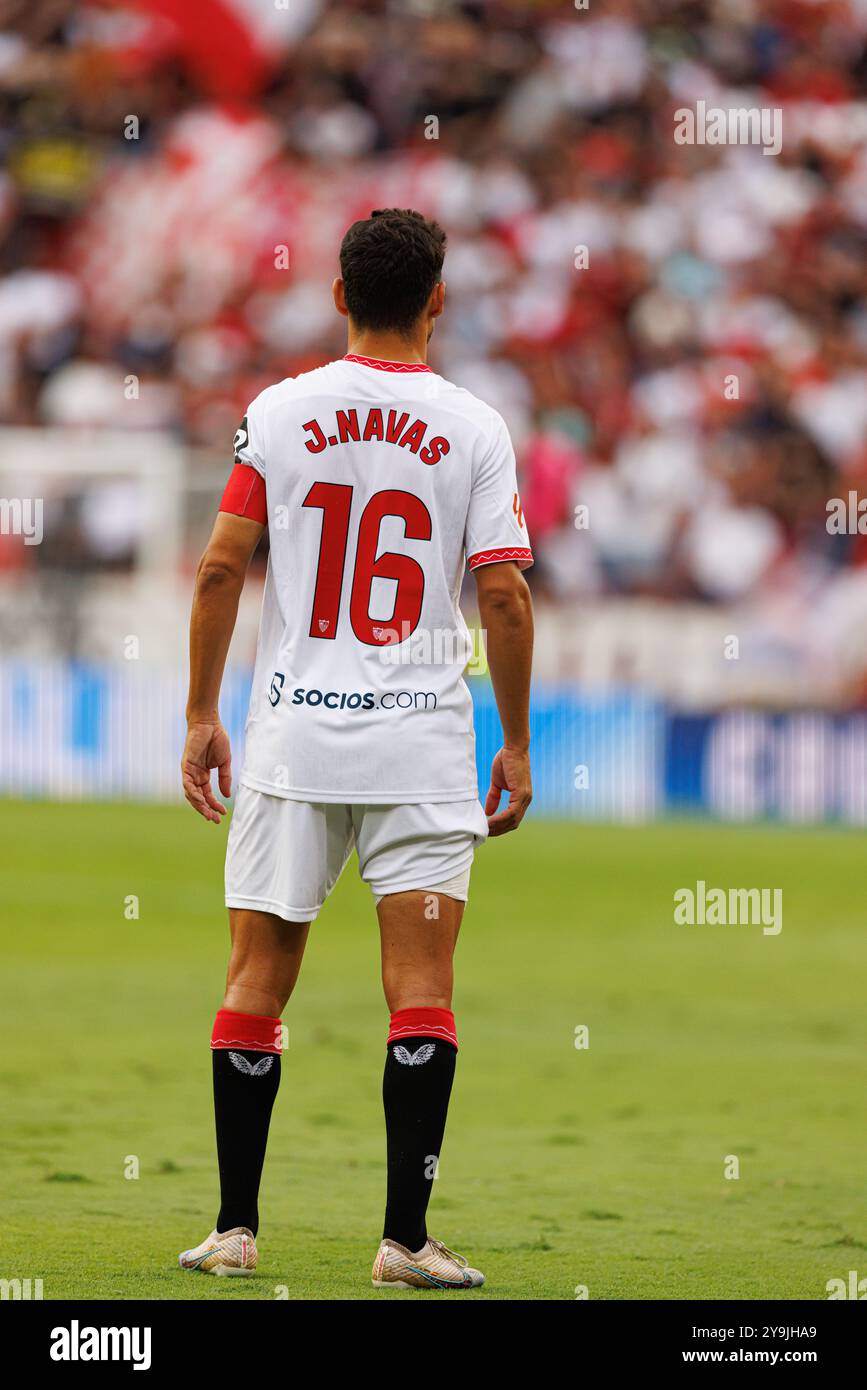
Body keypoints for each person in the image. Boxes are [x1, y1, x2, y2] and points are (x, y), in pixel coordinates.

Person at [178, 209, 534, 1290]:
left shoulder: (279, 412)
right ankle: (404, 1241)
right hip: (421, 749)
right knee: (420, 986)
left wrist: (201, 711)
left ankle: (235, 1230)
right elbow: (505, 591)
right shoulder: (474, 425)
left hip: (292, 738)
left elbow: (219, 568)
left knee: (256, 976)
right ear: (439, 301)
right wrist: (515, 738)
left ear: (337, 295)